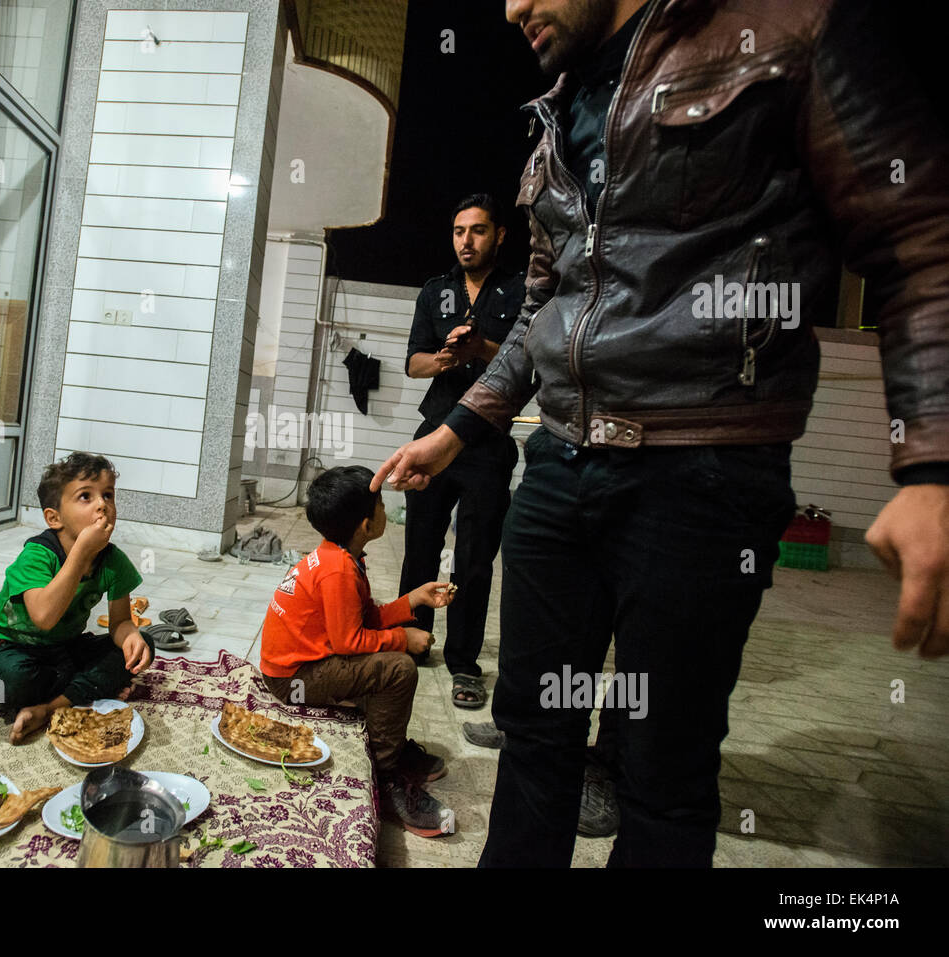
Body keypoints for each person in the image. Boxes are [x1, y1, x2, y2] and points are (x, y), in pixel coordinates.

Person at [374, 0, 949, 867]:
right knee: (535, 738)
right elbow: (542, 307)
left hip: (705, 468)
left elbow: (921, 240)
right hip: (561, 462)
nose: (511, 7)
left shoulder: (790, 29)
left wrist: (932, 466)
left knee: (662, 768)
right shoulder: (557, 111)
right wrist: (456, 430)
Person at [260, 465, 457, 836]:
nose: (385, 509)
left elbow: (364, 619)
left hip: (301, 663)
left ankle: (392, 747)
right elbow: (348, 643)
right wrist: (403, 639)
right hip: (292, 679)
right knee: (398, 669)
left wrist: (413, 600)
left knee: (385, 659)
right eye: (381, 504)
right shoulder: (337, 571)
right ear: (366, 524)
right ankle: (385, 777)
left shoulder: (339, 554)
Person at [400, 193, 523, 710]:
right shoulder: (436, 292)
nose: (465, 241)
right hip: (434, 433)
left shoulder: (521, 293)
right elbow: (413, 364)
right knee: (420, 549)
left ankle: (464, 662)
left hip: (489, 442)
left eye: (476, 230)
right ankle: (412, 640)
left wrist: (483, 349)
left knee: (475, 560)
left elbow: (528, 361)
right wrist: (449, 356)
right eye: (457, 231)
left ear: (498, 235)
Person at [0, 452, 153, 743]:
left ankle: (51, 707)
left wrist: (130, 636)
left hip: (62, 650)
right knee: (11, 681)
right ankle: (81, 688)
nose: (102, 505)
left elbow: (120, 621)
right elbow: (44, 618)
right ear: (53, 517)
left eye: (108, 495)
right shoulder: (36, 556)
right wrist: (81, 552)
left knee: (145, 645)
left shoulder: (113, 561)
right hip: (10, 648)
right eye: (85, 496)